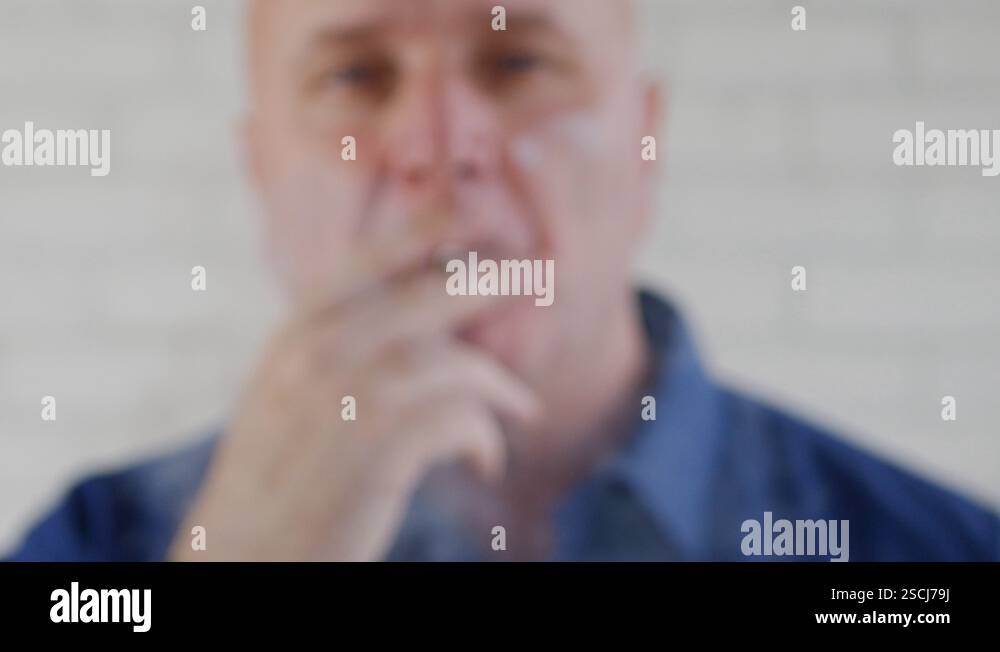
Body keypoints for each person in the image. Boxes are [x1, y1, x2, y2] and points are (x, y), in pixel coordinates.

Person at [6, 0, 998, 562]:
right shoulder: (95, 552)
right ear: (259, 170)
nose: (441, 147)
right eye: (355, 77)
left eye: (519, 61)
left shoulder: (924, 558)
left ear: (644, 142)